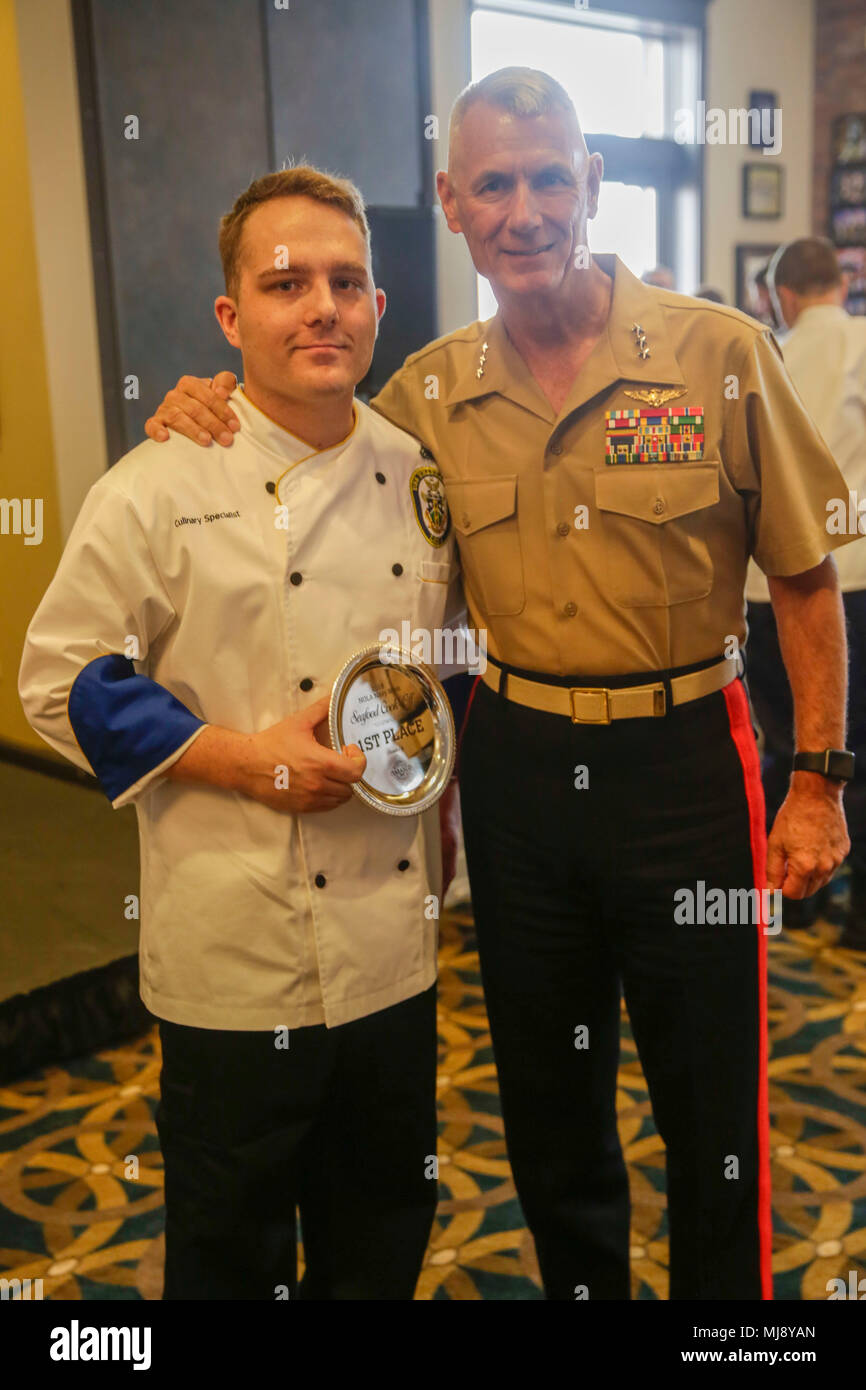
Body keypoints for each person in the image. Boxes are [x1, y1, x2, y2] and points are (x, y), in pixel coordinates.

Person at [143, 68, 857, 1301]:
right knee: (544, 1096)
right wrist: (206, 403)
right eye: (491, 186)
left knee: (714, 1107)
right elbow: (312, 437)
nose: (521, 211)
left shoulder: (719, 354)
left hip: (687, 767)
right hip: (517, 775)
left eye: (544, 179)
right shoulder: (425, 393)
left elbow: (803, 580)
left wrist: (817, 782)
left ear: (587, 184)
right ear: (452, 202)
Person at [19, 166, 464, 1301]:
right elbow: (55, 678)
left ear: (376, 305)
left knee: (382, 1224)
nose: (320, 305)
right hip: (232, 945)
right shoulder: (157, 483)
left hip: (390, 945)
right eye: (284, 283)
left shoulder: (418, 475)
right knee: (231, 1250)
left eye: (346, 281)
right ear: (232, 317)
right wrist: (245, 756)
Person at [745, 237, 866, 946]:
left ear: (783, 295)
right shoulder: (858, 341)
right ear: (840, 282)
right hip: (855, 576)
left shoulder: (767, 351)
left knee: (785, 746)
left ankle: (794, 898)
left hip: (770, 586)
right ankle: (857, 921)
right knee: (854, 753)